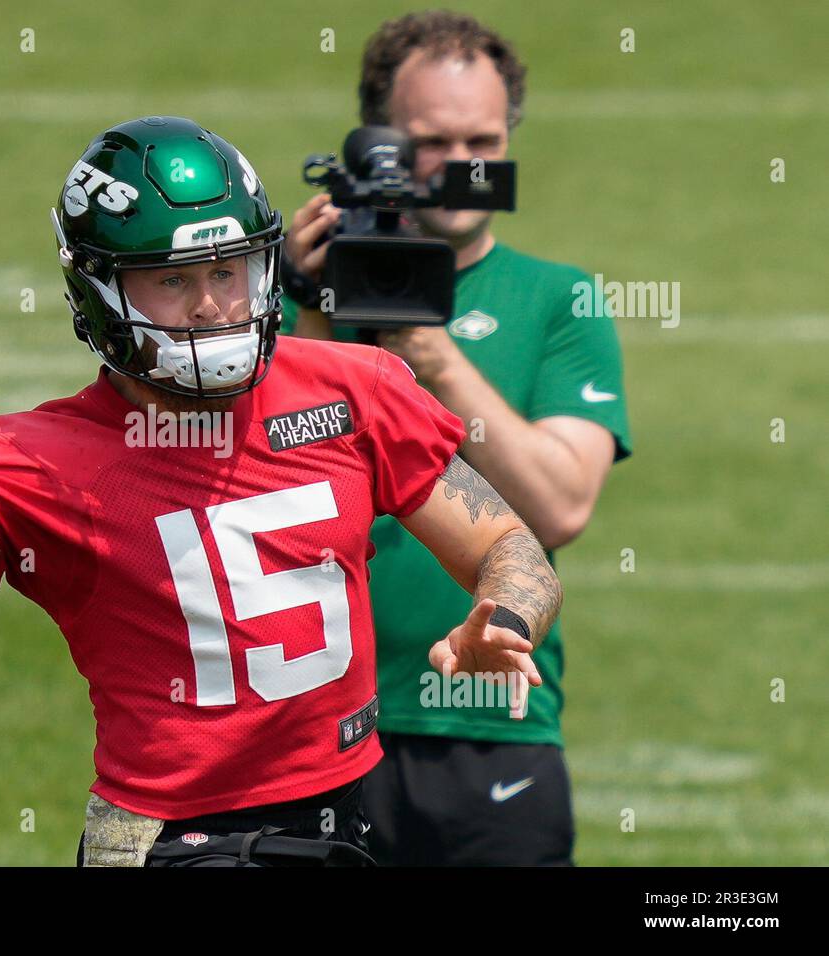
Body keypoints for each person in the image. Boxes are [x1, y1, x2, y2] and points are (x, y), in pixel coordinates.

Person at [0, 115, 562, 867]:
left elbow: (510, 546)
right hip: (176, 848)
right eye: (170, 281)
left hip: (345, 826)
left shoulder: (353, 390)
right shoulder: (45, 462)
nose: (211, 306)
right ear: (100, 294)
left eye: (228, 269)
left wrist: (509, 619)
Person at [281, 12, 632, 865]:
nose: (458, 166)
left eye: (482, 138)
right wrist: (292, 303)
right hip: (304, 728)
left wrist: (426, 349)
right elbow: (246, 482)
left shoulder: (560, 298)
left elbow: (558, 505)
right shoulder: (287, 301)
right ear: (374, 146)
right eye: (428, 143)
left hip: (490, 727)